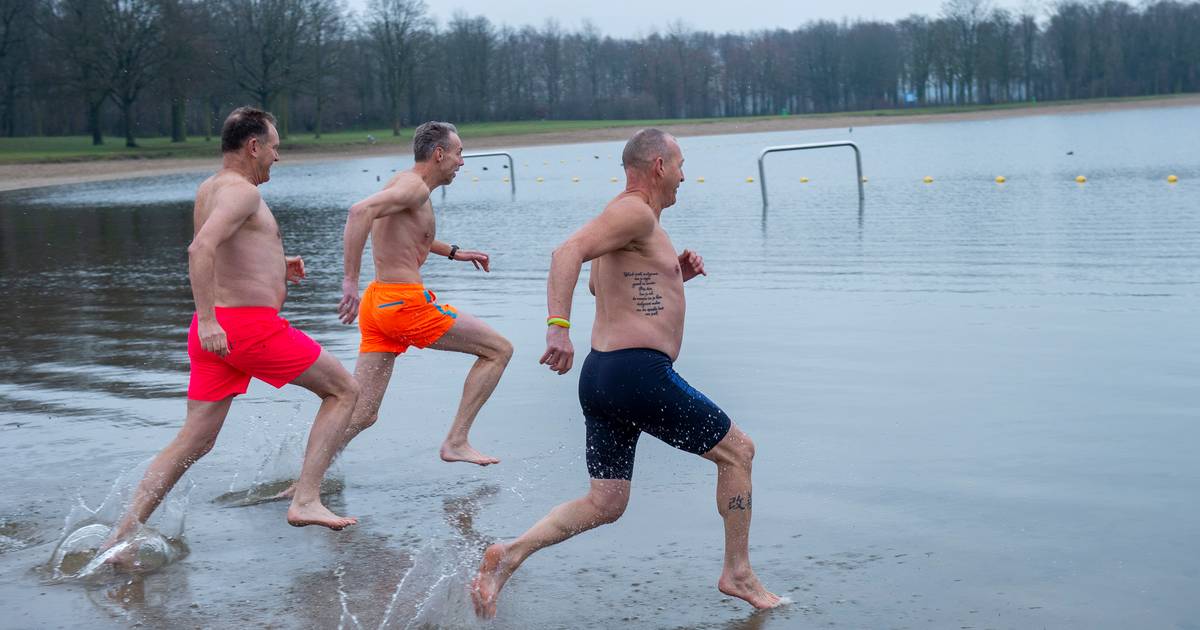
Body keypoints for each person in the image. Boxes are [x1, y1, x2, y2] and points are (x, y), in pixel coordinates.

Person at [471, 129, 780, 618]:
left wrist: (673, 273)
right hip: (637, 372)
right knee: (738, 452)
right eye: (680, 164)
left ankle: (508, 553)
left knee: (606, 502)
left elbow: (603, 288)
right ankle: (737, 572)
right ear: (658, 166)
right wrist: (556, 329)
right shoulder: (634, 211)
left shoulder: (628, 219)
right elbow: (565, 253)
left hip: (602, 377)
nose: (684, 176)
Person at [101, 107, 360, 565]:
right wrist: (209, 320)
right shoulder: (241, 193)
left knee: (194, 441)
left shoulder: (211, 188)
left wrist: (277, 265)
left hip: (219, 333)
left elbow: (222, 254)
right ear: (253, 146)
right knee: (344, 390)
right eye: (275, 147)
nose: (277, 157)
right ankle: (306, 499)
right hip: (245, 329)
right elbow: (200, 249)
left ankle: (120, 537)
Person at [333, 121, 512, 466]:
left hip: (379, 304)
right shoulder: (414, 189)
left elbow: (409, 236)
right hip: (403, 304)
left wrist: (453, 252)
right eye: (459, 153)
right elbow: (359, 212)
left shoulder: (406, 184)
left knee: (363, 412)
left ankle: (306, 479)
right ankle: (456, 441)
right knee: (498, 350)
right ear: (439, 154)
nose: (462, 162)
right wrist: (349, 283)